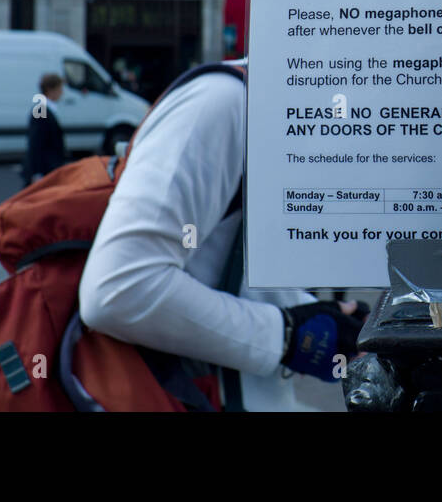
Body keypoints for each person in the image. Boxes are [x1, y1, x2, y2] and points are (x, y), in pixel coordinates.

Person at [79, 63, 369, 410]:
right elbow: (117, 290)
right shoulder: (224, 102)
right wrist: (287, 334)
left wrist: (331, 321)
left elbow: (224, 266)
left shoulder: (280, 102)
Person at [24, 73, 69, 186]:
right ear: (50, 90)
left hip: (49, 169)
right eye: (60, 89)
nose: (62, 92)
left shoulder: (47, 109)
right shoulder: (41, 111)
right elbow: (36, 143)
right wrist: (37, 173)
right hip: (45, 169)